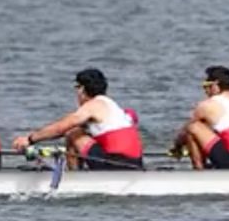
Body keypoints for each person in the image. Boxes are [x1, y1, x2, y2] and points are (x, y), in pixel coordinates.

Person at [11, 68, 143, 170]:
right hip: (135, 162)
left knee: (72, 132)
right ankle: (79, 171)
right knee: (81, 130)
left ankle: (73, 176)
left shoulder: (92, 106)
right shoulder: (111, 105)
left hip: (116, 163)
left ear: (82, 89)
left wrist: (30, 139)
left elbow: (61, 128)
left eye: (77, 88)